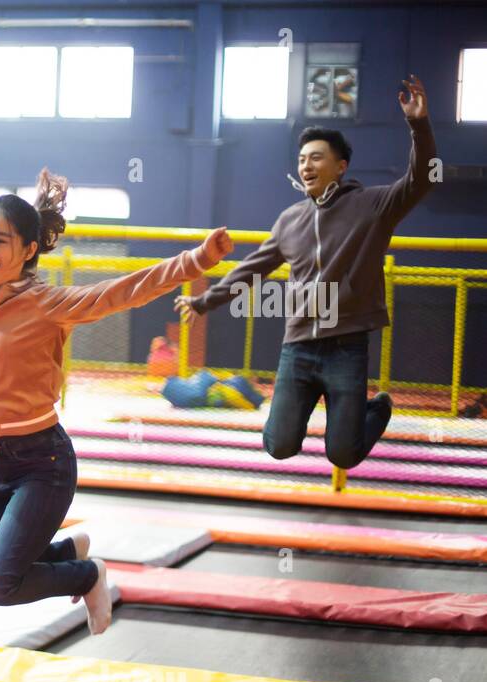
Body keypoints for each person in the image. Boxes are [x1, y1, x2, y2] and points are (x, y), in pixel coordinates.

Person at [0, 169, 233, 634]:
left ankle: (87, 573)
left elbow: (123, 292)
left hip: (40, 464)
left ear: (28, 250)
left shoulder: (48, 304)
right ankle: (64, 551)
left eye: (0, 241)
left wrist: (195, 262)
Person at [174, 75, 436, 470]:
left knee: (343, 454)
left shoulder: (372, 205)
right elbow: (252, 269)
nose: (306, 165)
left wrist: (418, 124)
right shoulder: (290, 220)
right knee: (278, 445)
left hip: (346, 347)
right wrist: (204, 300)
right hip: (298, 347)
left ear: (340, 166)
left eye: (316, 157)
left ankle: (377, 409)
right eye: (301, 159)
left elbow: (421, 179)